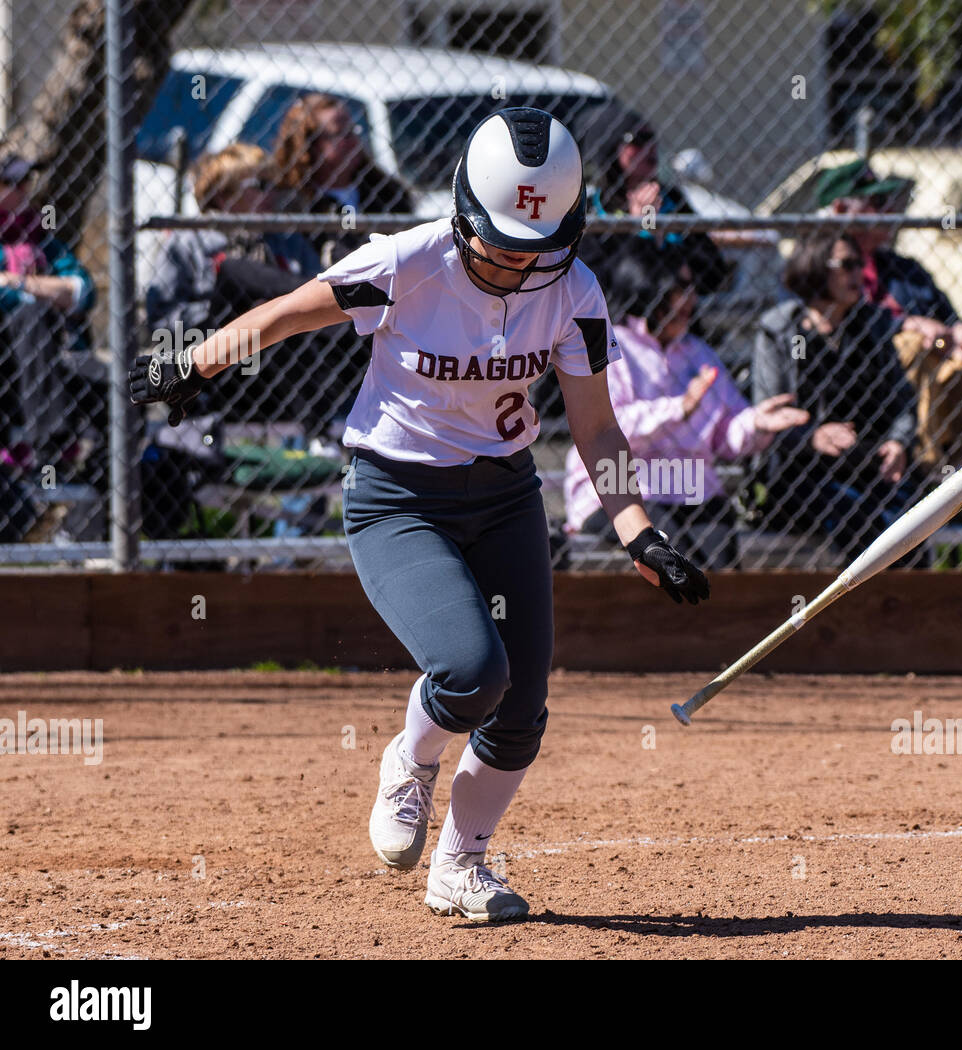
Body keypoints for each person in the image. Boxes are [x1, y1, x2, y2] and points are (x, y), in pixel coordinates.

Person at [129, 108, 709, 922]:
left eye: (535, 248)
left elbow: (597, 426)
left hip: (505, 496)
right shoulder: (410, 260)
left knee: (523, 709)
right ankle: (410, 757)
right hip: (397, 498)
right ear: (464, 211)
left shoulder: (575, 292)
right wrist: (195, 363)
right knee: (473, 672)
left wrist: (639, 531)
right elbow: (295, 309)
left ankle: (462, 867)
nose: (517, 264)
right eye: (501, 242)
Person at [564, 241, 807, 568]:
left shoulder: (698, 352)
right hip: (621, 487)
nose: (691, 300)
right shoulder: (612, 346)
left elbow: (726, 435)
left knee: (720, 560)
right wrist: (680, 408)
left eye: (693, 289)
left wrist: (755, 423)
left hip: (692, 488)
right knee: (670, 554)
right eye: (681, 289)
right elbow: (607, 427)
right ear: (649, 288)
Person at [816, 159, 962, 472]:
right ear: (839, 210)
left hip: (930, 373)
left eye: (889, 200)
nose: (890, 209)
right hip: (866, 382)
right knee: (914, 343)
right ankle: (925, 472)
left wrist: (961, 331)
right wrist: (903, 324)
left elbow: (950, 320)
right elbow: (823, 326)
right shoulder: (818, 271)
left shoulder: (904, 270)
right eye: (876, 202)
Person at [752, 232, 922, 559]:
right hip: (802, 473)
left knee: (916, 523)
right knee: (857, 518)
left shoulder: (871, 326)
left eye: (859, 264)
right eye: (846, 265)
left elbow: (903, 400)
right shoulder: (779, 331)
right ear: (815, 267)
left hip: (867, 464)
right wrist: (812, 436)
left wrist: (899, 442)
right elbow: (767, 416)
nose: (858, 273)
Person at [146, 143, 332, 424]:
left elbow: (316, 289)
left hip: (281, 359)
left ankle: (319, 427)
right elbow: (162, 320)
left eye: (273, 184)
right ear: (223, 196)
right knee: (235, 276)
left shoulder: (285, 239)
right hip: (215, 357)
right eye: (260, 185)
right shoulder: (189, 241)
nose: (272, 194)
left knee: (281, 312)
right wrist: (237, 315)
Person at [0, 149, 98, 504]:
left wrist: (20, 283)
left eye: (26, 180)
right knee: (31, 315)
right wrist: (43, 290)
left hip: (46, 354)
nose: (24, 189)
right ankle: (45, 445)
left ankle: (52, 447)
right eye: (12, 182)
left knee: (34, 316)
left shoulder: (39, 238)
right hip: (6, 354)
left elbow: (82, 289)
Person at [576, 105, 731, 301]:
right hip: (620, 326)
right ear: (611, 148)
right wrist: (642, 231)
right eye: (637, 140)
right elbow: (606, 286)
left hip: (679, 324)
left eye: (651, 138)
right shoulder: (594, 209)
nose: (650, 148)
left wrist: (656, 235)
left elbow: (714, 272)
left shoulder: (671, 199)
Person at [270, 93, 414, 267]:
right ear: (310, 144)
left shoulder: (386, 192)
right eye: (341, 134)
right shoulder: (292, 204)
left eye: (353, 130)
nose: (352, 140)